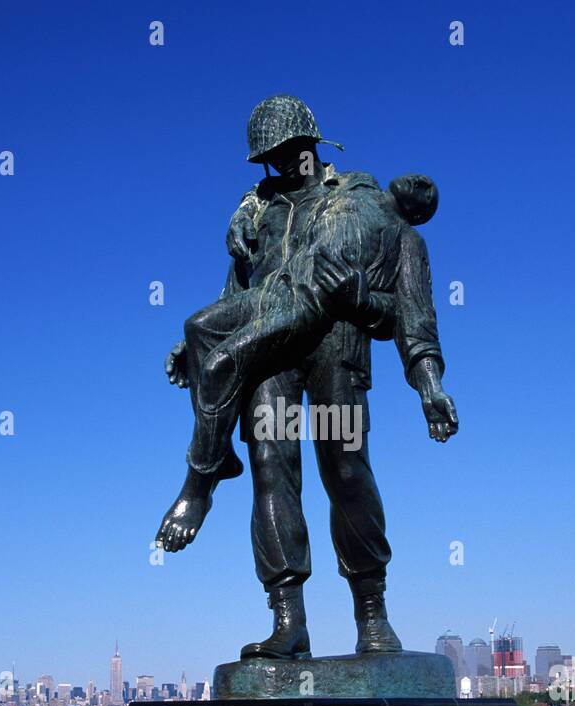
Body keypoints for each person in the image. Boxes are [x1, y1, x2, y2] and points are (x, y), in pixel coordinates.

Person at [159, 95, 457, 658]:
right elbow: (239, 294)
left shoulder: (378, 216)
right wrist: (194, 346)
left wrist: (430, 385)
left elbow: (411, 319)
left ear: (312, 147)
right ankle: (288, 621)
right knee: (271, 469)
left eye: (288, 152)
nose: (281, 164)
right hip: (269, 356)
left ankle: (371, 613)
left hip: (335, 351)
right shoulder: (258, 212)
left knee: (344, 471)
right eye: (271, 157)